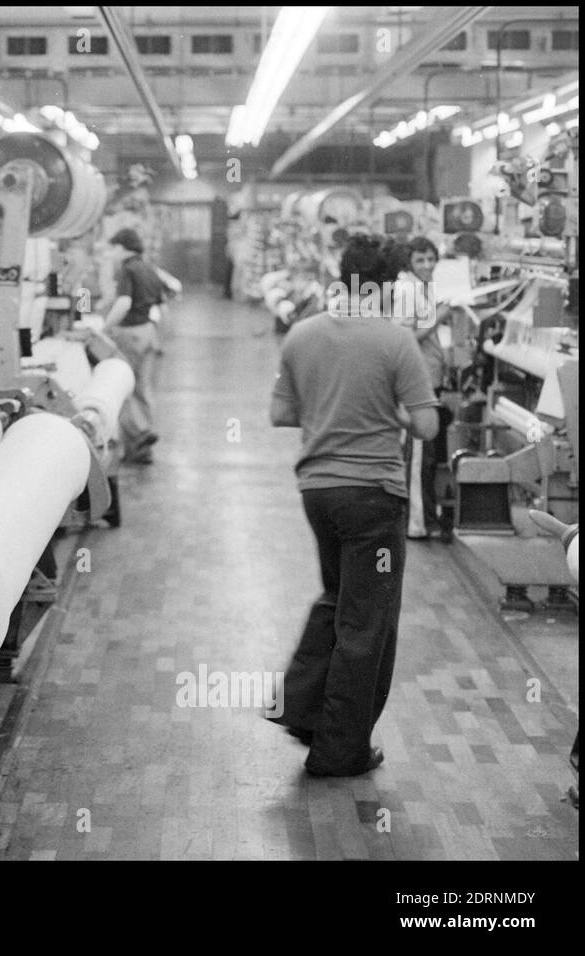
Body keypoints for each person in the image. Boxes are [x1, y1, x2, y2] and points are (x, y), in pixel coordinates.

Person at [267, 234, 440, 777]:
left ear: (343, 276)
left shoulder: (301, 334)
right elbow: (428, 425)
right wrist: (391, 413)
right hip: (374, 496)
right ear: (388, 286)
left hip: (318, 493)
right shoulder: (396, 342)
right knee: (368, 622)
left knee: (337, 598)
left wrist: (331, 413)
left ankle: (303, 710)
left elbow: (281, 413)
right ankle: (340, 751)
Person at [391, 236, 454, 541]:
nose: (427, 265)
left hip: (431, 380)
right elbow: (405, 337)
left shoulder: (425, 288)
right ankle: (416, 522)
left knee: (427, 456)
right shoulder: (407, 290)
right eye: (420, 260)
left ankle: (426, 517)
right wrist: (438, 316)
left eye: (431, 259)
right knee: (417, 457)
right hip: (417, 383)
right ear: (410, 263)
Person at [103, 228, 178, 464]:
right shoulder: (149, 269)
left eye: (113, 248)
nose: (111, 254)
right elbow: (163, 306)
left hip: (129, 333)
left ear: (123, 248)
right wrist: (162, 337)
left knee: (124, 388)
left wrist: (104, 327)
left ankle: (137, 439)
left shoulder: (127, 270)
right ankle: (144, 438)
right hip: (148, 331)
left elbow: (123, 303)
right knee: (142, 387)